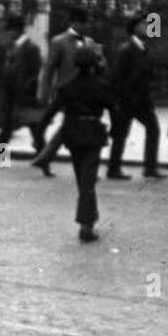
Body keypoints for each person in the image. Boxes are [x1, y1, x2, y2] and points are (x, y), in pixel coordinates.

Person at [30, 6, 99, 176]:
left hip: (83, 94)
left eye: (86, 23)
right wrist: (43, 94)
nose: (85, 26)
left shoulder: (89, 42)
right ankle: (44, 156)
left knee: (67, 125)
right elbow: (48, 69)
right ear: (73, 22)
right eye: (82, 23)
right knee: (49, 127)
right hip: (63, 93)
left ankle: (44, 158)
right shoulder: (58, 41)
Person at [57, 45, 112, 241]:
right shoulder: (101, 85)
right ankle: (85, 224)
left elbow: (53, 109)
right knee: (88, 180)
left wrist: (39, 131)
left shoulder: (66, 86)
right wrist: (115, 128)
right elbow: (114, 107)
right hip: (92, 134)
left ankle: (89, 218)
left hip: (73, 135)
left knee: (83, 179)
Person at [107, 13, 166, 180]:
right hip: (127, 100)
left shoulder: (143, 48)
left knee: (153, 129)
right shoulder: (126, 49)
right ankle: (114, 169)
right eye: (143, 24)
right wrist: (121, 99)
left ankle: (150, 167)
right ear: (134, 28)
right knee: (121, 135)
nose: (147, 27)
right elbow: (118, 77)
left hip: (141, 100)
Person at [0, 15, 43, 165]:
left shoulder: (31, 47)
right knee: (7, 128)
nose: (9, 33)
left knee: (34, 128)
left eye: (10, 30)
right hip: (12, 94)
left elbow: (35, 71)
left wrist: (27, 89)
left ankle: (43, 156)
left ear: (17, 30)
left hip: (23, 95)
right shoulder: (14, 45)